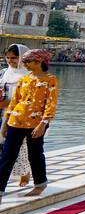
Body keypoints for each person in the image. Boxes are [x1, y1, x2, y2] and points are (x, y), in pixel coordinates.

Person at [0, 49, 58, 198]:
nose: (24, 64)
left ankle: (40, 184)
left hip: (35, 124)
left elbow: (50, 104)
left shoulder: (50, 80)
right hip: (16, 121)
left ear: (38, 62)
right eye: (24, 62)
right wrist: (6, 122)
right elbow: (15, 101)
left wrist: (43, 124)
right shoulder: (25, 79)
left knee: (35, 154)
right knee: (7, 155)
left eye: (27, 61)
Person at [0, 44, 32, 192]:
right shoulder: (3, 73)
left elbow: (28, 99)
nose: (10, 60)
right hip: (2, 112)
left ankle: (25, 172)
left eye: (14, 58)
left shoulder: (29, 76)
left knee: (20, 147)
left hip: (20, 115)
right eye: (8, 57)